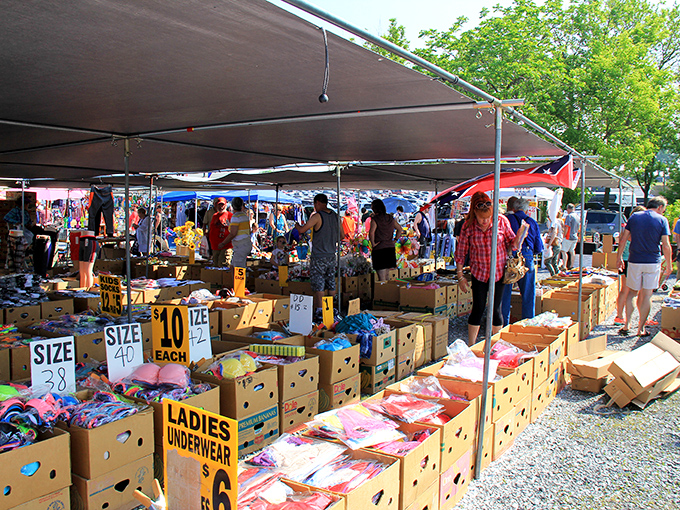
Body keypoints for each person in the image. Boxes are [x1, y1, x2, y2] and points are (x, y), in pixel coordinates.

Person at [455, 191, 518, 345]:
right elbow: (461, 253)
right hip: (479, 273)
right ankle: (471, 345)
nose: (485, 222)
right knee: (478, 308)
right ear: (474, 214)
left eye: (488, 218)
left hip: (499, 272)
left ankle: (496, 345)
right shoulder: (467, 226)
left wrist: (517, 241)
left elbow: (511, 241)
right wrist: (460, 276)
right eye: (482, 218)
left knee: (496, 309)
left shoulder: (502, 221)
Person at [617, 197, 672, 337]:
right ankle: (641, 328)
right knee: (647, 295)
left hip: (635, 259)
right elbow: (666, 245)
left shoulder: (635, 217)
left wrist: (618, 257)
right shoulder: (662, 220)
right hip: (652, 261)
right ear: (660, 207)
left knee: (632, 293)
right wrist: (669, 265)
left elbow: (623, 239)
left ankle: (626, 324)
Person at [501, 198, 544, 325]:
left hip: (509, 258)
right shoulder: (532, 222)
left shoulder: (507, 220)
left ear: (513, 208)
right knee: (528, 293)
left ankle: (503, 324)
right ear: (526, 210)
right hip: (527, 257)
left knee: (505, 294)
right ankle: (528, 323)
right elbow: (538, 247)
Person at [295, 193, 339, 316]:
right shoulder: (335, 216)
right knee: (331, 281)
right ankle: (330, 309)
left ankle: (320, 311)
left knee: (319, 283)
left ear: (318, 203)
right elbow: (341, 235)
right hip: (331, 255)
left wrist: (297, 225)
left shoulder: (318, 216)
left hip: (319, 255)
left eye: (314, 204)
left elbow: (303, 229)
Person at [614, 206, 646, 325]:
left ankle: (619, 316)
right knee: (636, 292)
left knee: (624, 290)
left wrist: (619, 257)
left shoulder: (626, 228)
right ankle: (638, 317)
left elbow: (620, 243)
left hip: (625, 260)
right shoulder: (639, 230)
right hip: (634, 261)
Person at [369, 199, 403, 281]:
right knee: (387, 275)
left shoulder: (375, 219)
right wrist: (395, 240)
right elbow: (400, 229)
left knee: (381, 277)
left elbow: (371, 233)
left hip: (379, 248)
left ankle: (383, 292)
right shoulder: (390, 218)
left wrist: (373, 244)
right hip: (390, 248)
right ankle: (387, 292)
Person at [219, 197, 252, 269]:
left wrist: (223, 243)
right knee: (233, 266)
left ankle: (240, 280)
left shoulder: (236, 217)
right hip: (247, 243)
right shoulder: (245, 216)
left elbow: (233, 233)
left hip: (240, 245)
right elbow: (248, 230)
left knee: (238, 268)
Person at [209, 197, 233, 267]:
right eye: (219, 205)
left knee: (223, 264)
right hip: (215, 246)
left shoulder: (229, 215)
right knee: (215, 265)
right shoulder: (215, 215)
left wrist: (224, 243)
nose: (220, 207)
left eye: (222, 205)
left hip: (225, 245)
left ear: (226, 205)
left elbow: (232, 232)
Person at [544, 211, 563, 275]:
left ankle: (553, 274)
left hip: (555, 244)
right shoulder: (556, 222)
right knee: (554, 262)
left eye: (548, 216)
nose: (548, 218)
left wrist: (549, 243)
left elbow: (554, 234)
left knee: (547, 262)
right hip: (557, 244)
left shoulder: (554, 223)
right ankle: (557, 274)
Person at [562, 204, 580, 269]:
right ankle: (572, 265)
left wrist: (564, 235)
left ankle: (564, 265)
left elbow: (567, 227)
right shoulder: (577, 216)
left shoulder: (569, 216)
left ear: (568, 209)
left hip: (568, 236)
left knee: (564, 251)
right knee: (572, 251)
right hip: (575, 236)